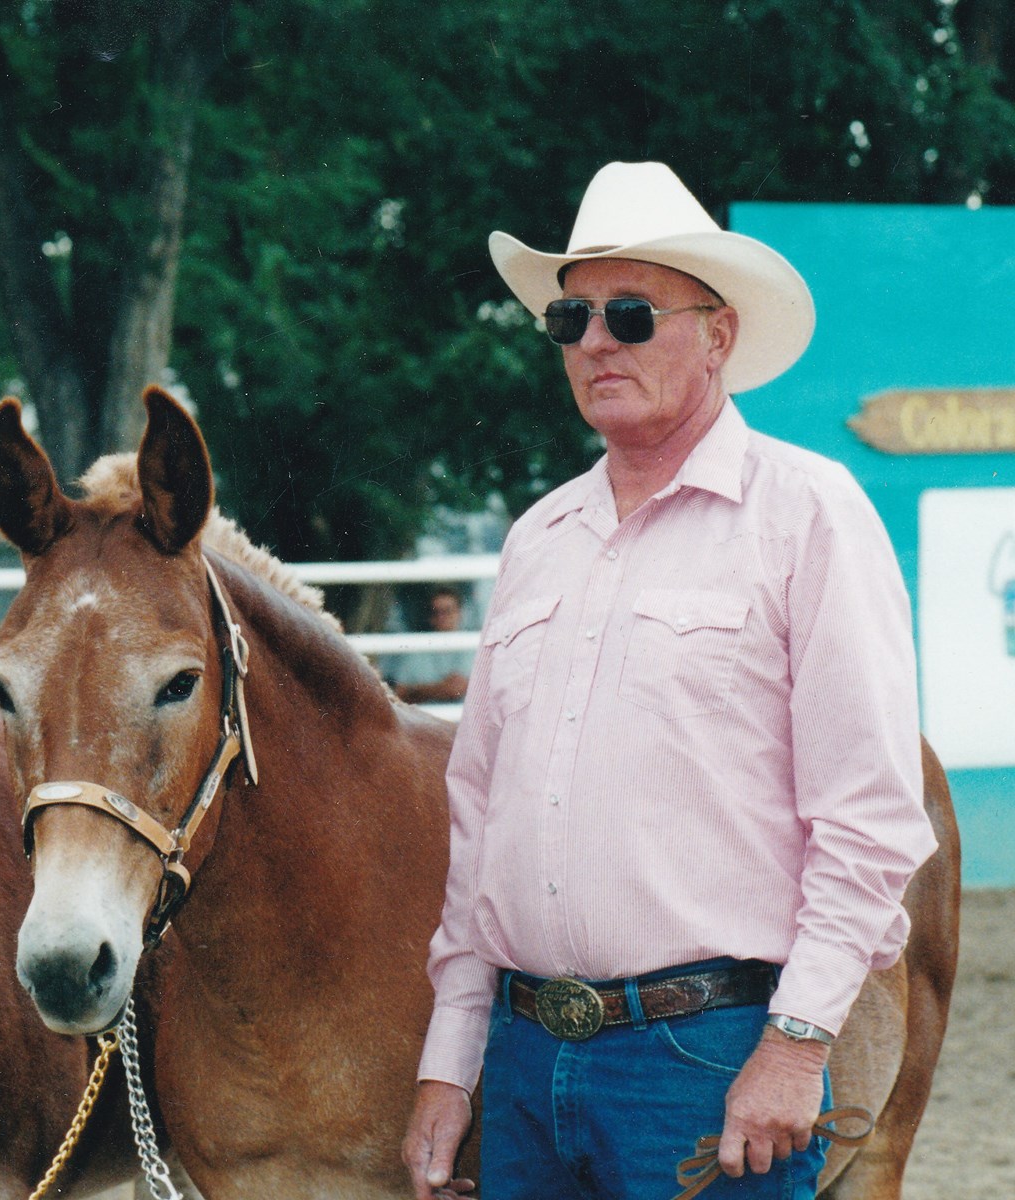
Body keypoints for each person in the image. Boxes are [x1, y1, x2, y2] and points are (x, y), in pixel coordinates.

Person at [401, 161, 938, 1199]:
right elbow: (479, 829)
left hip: (711, 1061)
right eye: (573, 318)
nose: (597, 341)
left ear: (720, 335)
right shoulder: (538, 539)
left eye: (633, 314)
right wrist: (448, 1065)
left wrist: (794, 1045)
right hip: (523, 1063)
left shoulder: (807, 513)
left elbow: (869, 817)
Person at [394, 585, 474, 703]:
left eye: (448, 611)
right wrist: (439, 689)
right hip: (427, 720)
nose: (442, 617)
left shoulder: (473, 645)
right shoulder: (417, 650)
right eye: (436, 612)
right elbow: (399, 695)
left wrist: (427, 689)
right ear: (430, 617)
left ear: (460, 613)